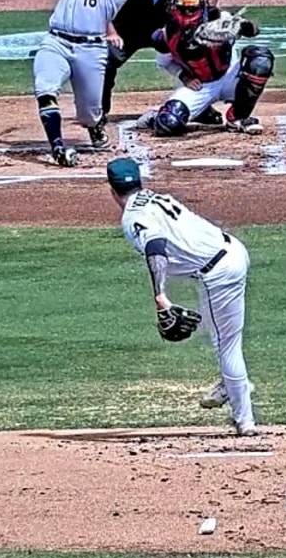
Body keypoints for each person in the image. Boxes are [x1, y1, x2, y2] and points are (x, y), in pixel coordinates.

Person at [106, 157, 258, 436]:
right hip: (230, 252)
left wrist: (160, 295)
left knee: (227, 345)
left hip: (219, 271)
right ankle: (231, 383)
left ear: (112, 191)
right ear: (139, 181)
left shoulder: (132, 217)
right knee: (222, 335)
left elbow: (156, 246)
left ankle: (245, 420)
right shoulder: (154, 198)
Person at [31, 0, 146, 167]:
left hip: (90, 49)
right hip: (57, 41)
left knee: (89, 113)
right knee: (45, 87)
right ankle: (58, 147)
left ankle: (94, 125)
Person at [100, 0, 227, 130]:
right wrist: (111, 32)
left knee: (197, 49)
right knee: (106, 59)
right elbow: (105, 4)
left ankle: (201, 106)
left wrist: (200, 24)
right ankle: (99, 112)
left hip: (170, 30)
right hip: (131, 29)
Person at [136, 0, 275, 137]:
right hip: (200, 85)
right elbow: (164, 63)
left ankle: (238, 117)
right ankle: (160, 115)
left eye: (192, 8)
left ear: (202, 8)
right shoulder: (166, 36)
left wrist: (243, 27)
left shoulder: (221, 19)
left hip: (230, 76)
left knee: (260, 60)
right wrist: (184, 76)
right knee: (168, 124)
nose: (188, 12)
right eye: (183, 8)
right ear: (174, 8)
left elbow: (254, 31)